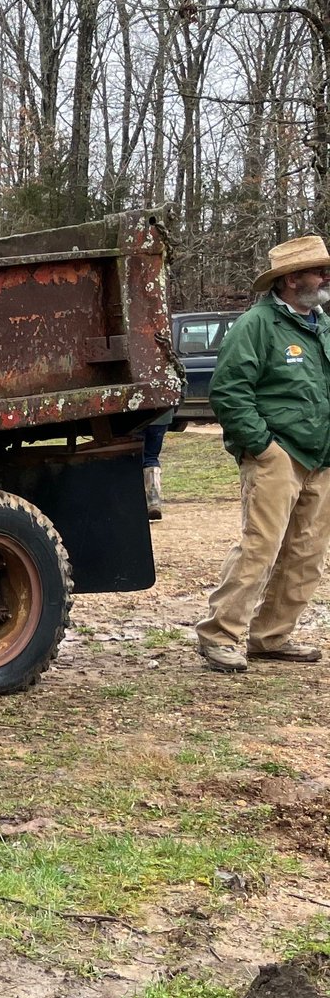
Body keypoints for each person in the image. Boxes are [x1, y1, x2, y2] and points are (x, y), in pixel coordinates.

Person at [196, 234, 330, 672]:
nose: (325, 277)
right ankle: (220, 635)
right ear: (291, 279)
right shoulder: (256, 325)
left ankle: (271, 637)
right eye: (317, 270)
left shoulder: (322, 324)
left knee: (306, 555)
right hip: (279, 455)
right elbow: (230, 392)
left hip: (322, 457)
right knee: (261, 547)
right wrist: (264, 447)